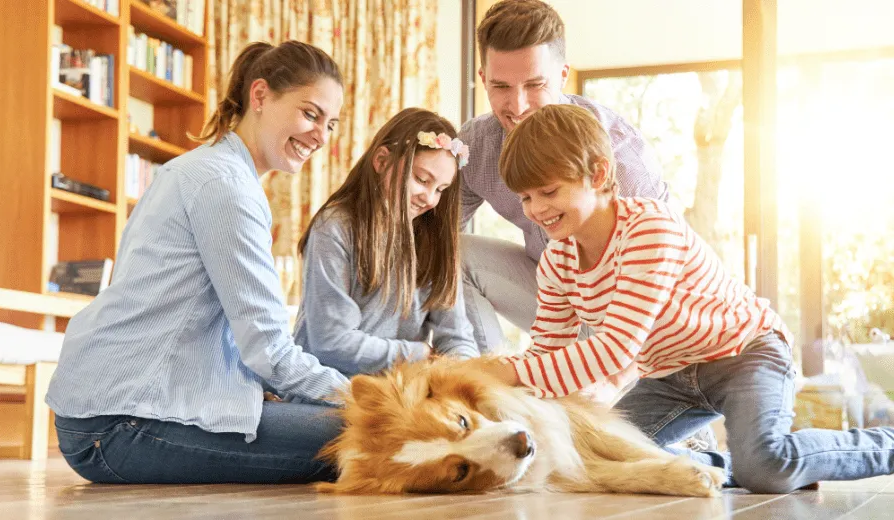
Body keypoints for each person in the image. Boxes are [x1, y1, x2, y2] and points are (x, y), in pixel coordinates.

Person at [482, 103, 894, 494]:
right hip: (669, 377)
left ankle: (866, 448)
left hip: (744, 351)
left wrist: (509, 372)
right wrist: (510, 389)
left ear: (598, 172)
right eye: (526, 198)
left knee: (765, 464)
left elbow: (615, 348)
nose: (536, 209)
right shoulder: (558, 261)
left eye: (548, 191)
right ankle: (734, 466)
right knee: (598, 459)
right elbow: (546, 351)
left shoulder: (648, 227)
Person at [46, 41, 349, 484]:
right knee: (372, 431)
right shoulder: (226, 186)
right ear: (260, 96)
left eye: (331, 124)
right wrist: (368, 396)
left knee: (350, 423)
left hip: (101, 416)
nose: (321, 136)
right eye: (310, 114)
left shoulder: (201, 170)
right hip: (119, 426)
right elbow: (268, 348)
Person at [459, 0, 669, 353]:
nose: (519, 105)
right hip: (549, 297)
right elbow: (427, 234)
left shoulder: (622, 159)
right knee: (449, 252)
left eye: (534, 84)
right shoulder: (475, 145)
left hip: (627, 319)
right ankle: (486, 383)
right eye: (501, 87)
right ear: (483, 79)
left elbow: (663, 274)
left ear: (562, 75)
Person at [293, 108, 478, 375]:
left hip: (397, 391)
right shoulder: (334, 228)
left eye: (440, 189)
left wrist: (461, 382)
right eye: (421, 180)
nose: (429, 198)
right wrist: (419, 354)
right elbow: (331, 342)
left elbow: (457, 338)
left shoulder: (434, 242)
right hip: (326, 390)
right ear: (381, 161)